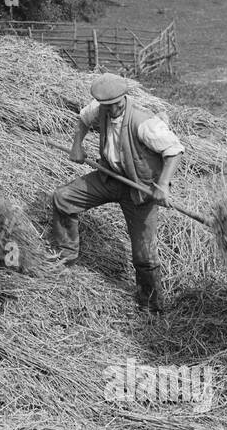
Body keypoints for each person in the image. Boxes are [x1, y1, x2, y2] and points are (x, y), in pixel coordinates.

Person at [49, 73, 184, 312]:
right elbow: (83, 119)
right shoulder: (99, 108)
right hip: (110, 177)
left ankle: (150, 304)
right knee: (63, 198)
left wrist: (162, 186)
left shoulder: (144, 123)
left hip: (140, 189)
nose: (111, 110)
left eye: (116, 105)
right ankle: (65, 255)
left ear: (124, 97)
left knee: (144, 254)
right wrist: (77, 145)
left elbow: (174, 151)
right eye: (107, 106)